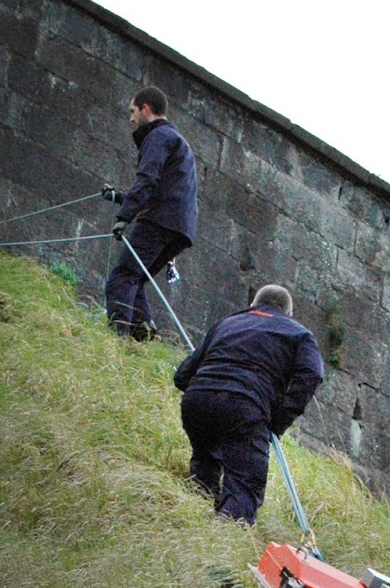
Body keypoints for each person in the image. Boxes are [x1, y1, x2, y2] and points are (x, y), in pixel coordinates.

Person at [173, 285, 324, 523]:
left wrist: (204, 390)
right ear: (289, 313)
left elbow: (182, 375)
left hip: (197, 400)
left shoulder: (226, 323)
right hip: (245, 404)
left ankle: (193, 513)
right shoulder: (300, 335)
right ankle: (228, 529)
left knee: (205, 462)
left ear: (253, 305)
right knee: (245, 483)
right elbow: (311, 375)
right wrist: (278, 420)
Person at [103, 86, 198, 339]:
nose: (131, 119)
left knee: (123, 277)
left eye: (133, 111)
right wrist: (118, 198)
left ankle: (116, 337)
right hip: (180, 229)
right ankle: (142, 334)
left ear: (146, 108)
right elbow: (163, 191)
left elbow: (147, 180)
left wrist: (124, 218)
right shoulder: (177, 141)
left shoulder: (158, 136)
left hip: (158, 222)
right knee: (136, 277)